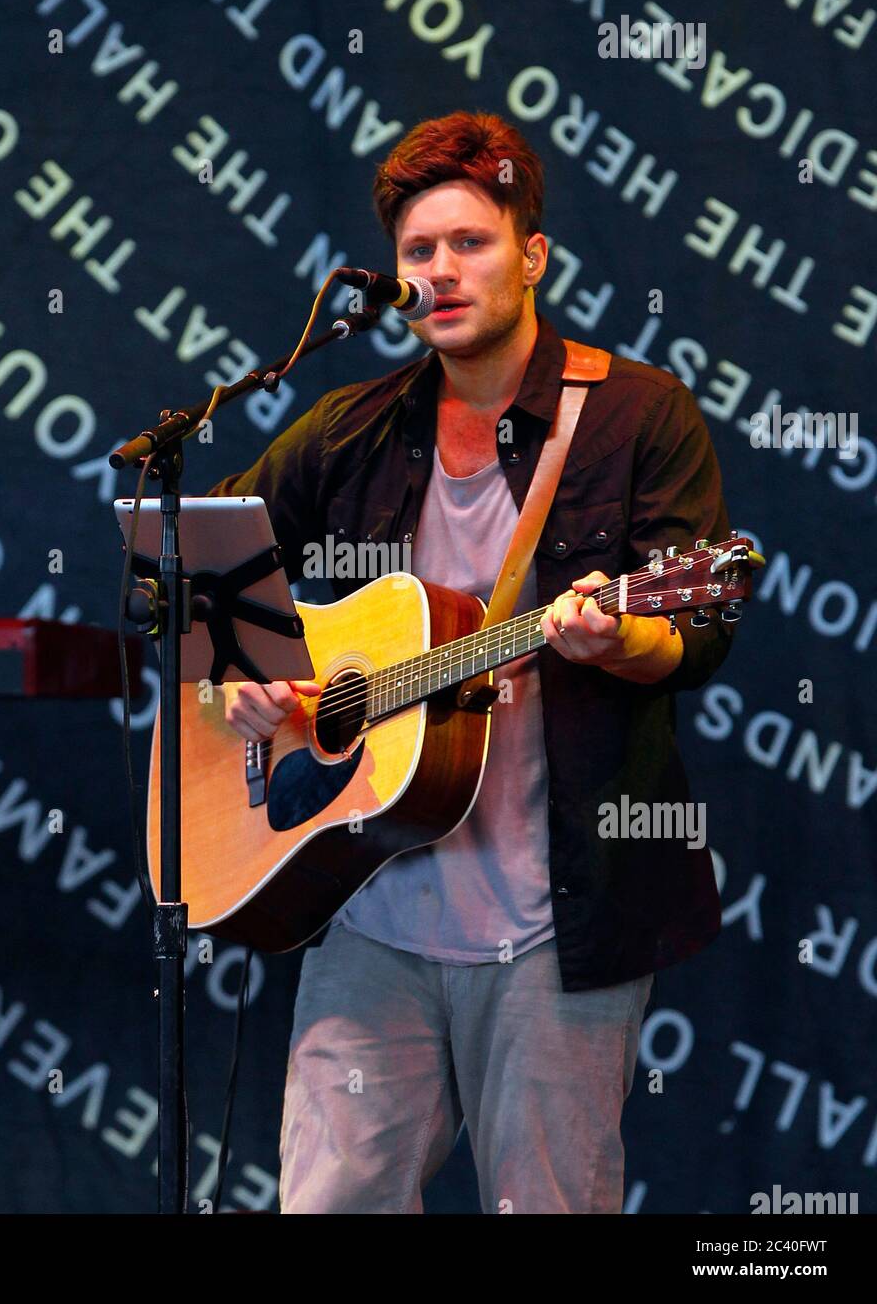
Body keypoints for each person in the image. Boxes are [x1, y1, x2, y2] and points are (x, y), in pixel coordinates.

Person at [204, 110, 735, 1214]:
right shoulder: (351, 428)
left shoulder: (635, 414)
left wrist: (619, 632)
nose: (439, 272)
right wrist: (249, 674)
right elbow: (185, 573)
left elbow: (698, 627)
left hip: (555, 929)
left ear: (530, 254)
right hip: (366, 907)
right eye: (416, 253)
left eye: (469, 243)